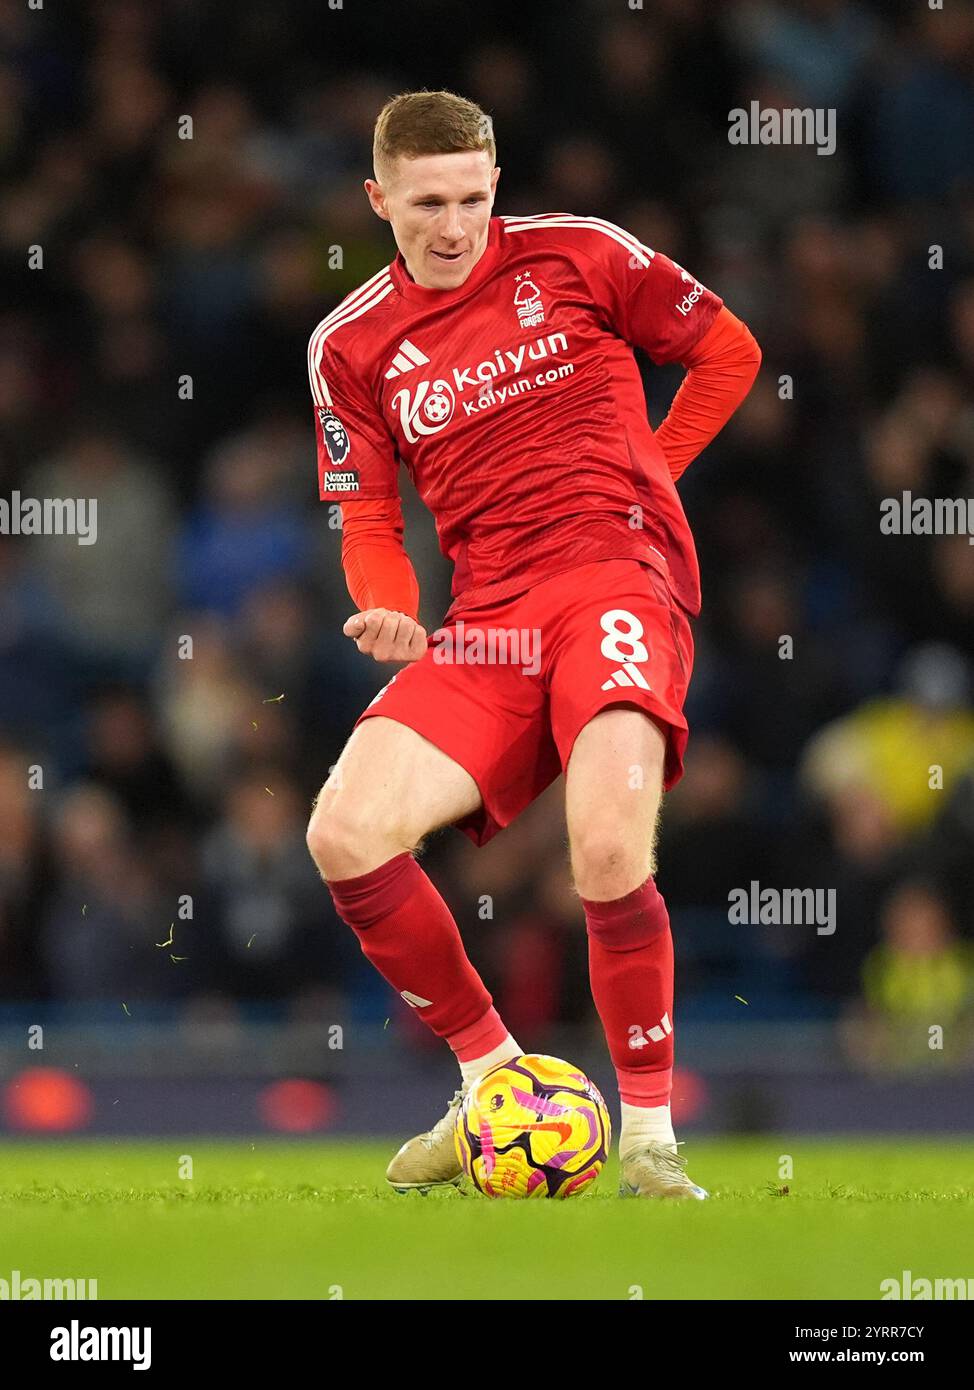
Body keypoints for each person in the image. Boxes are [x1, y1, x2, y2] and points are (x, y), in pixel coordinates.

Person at [305, 90, 761, 1198]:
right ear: (378, 200)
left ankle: (649, 1140)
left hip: (613, 574)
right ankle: (489, 1078)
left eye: (470, 198)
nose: (451, 226)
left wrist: (648, 474)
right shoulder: (348, 345)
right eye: (424, 204)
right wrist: (386, 600)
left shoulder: (580, 255)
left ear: (494, 186)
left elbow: (728, 352)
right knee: (344, 832)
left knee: (606, 846)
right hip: (486, 620)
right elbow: (367, 518)